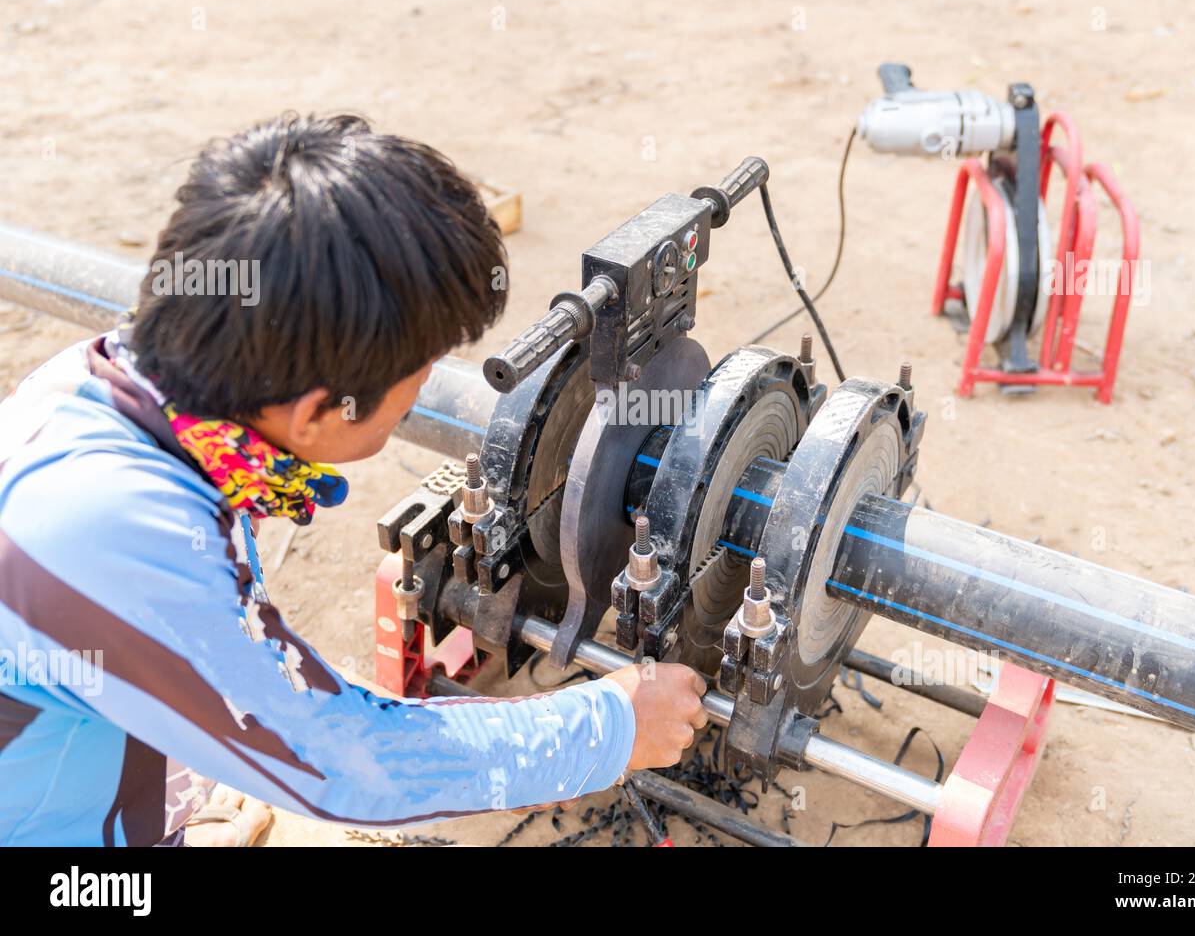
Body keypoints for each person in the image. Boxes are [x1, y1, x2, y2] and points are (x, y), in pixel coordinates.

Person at [0, 113, 706, 847]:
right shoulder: (115, 534)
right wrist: (614, 724)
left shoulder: (112, 387)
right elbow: (344, 764)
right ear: (314, 413)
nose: (428, 386)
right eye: (420, 374)